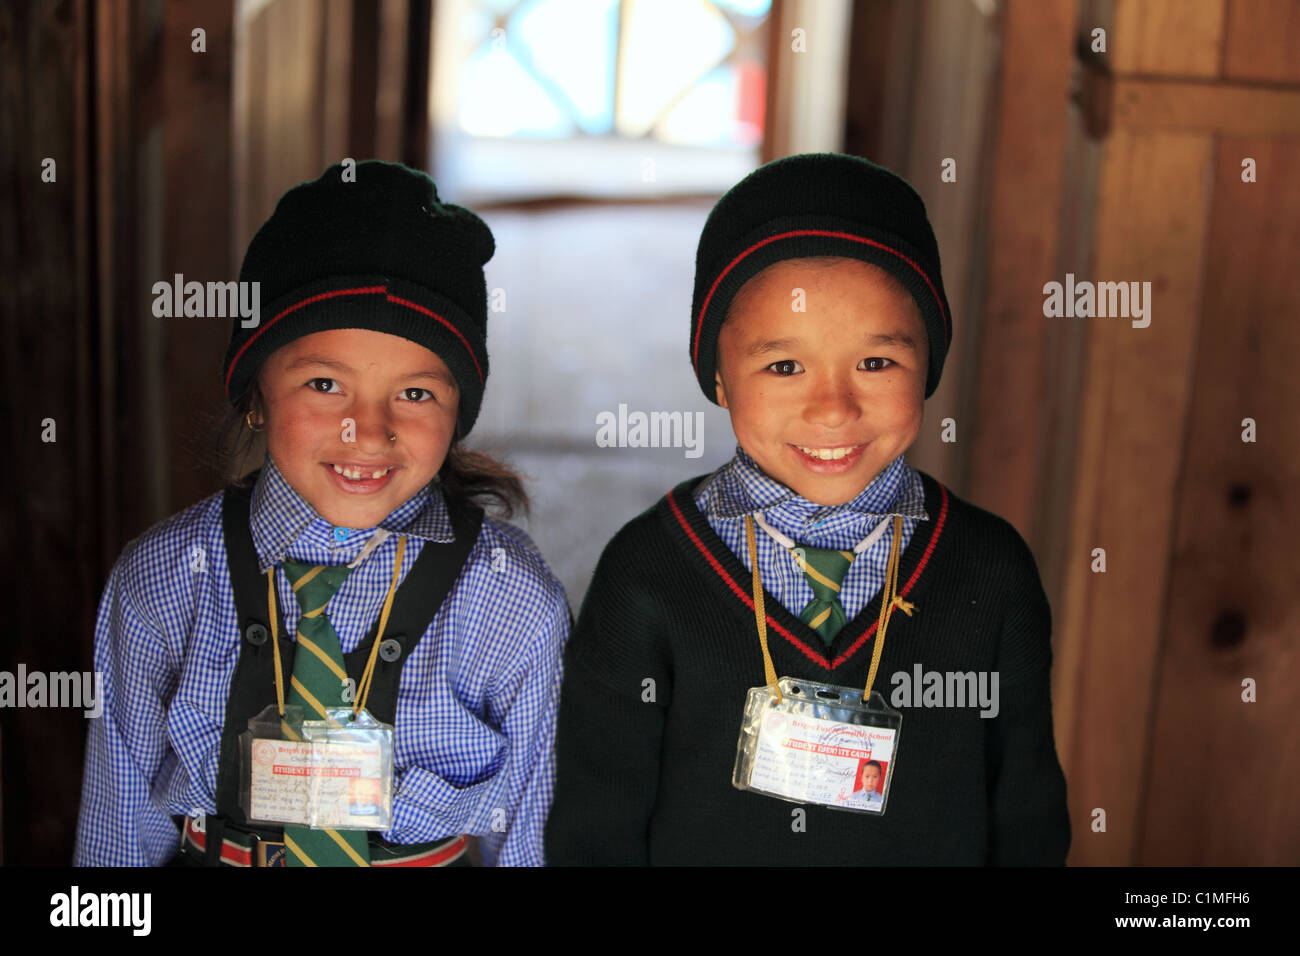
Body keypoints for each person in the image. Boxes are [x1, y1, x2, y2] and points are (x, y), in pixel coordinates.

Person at [545, 153, 1070, 866]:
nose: (833, 408)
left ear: (929, 367)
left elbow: (1027, 813)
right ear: (720, 378)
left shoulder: (991, 572)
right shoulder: (648, 576)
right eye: (784, 366)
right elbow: (596, 822)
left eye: (876, 364)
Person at [74, 160, 570, 867]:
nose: (365, 432)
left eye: (417, 394)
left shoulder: (512, 599)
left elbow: (530, 836)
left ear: (459, 413)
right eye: (325, 383)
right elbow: (117, 825)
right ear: (255, 393)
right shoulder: (163, 578)